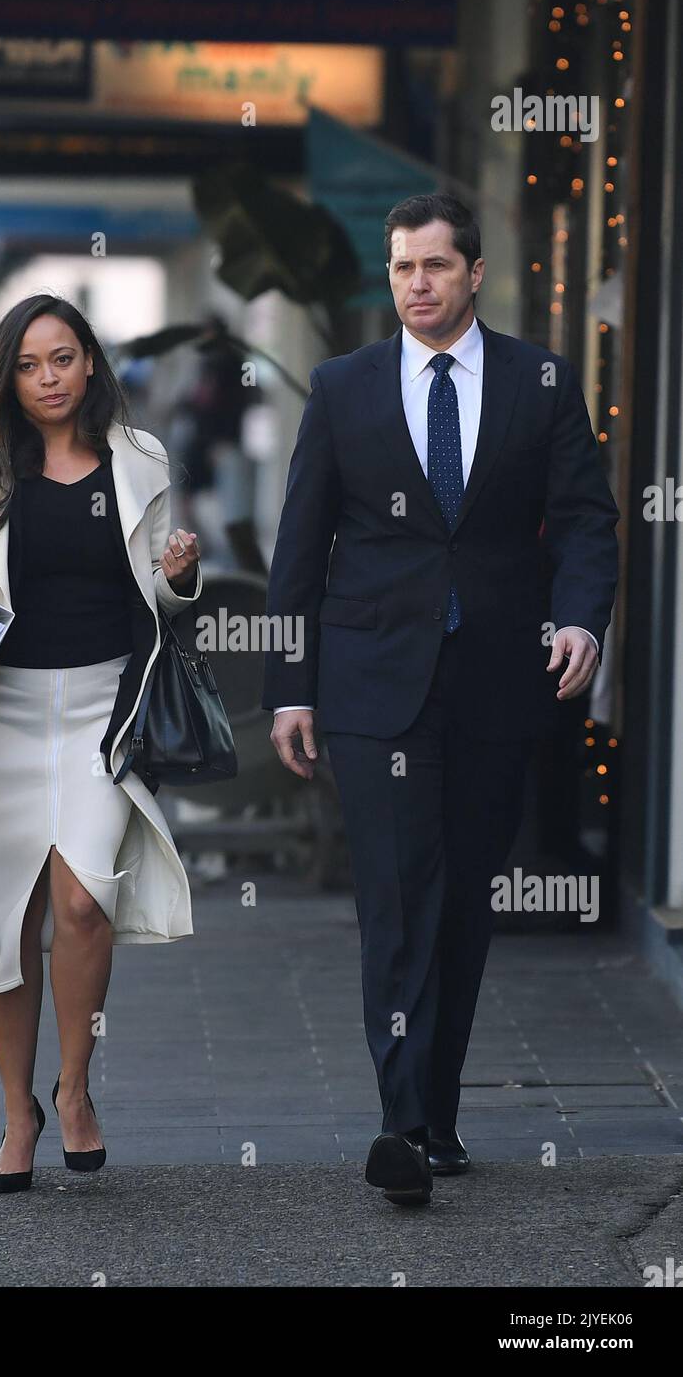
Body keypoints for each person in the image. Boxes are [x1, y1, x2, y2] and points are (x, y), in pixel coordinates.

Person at [262, 193, 619, 1206]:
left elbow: (587, 521)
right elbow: (298, 550)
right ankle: (401, 1126)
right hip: (372, 685)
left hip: (499, 682)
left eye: (431, 266)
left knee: (462, 898)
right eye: (398, 268)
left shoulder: (538, 383)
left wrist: (582, 618)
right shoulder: (343, 388)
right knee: (394, 895)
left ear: (471, 274)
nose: (414, 284)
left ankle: (438, 1110)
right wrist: (290, 686)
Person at [0, 294, 202, 1193]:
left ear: (90, 363)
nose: (47, 379)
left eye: (62, 359)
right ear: (5, 375)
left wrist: (181, 579)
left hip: (104, 707)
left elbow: (160, 601)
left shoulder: (139, 461)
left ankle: (74, 1089)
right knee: (5, 923)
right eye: (28, 365)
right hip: (1, 712)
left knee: (82, 905)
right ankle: (18, 1113)